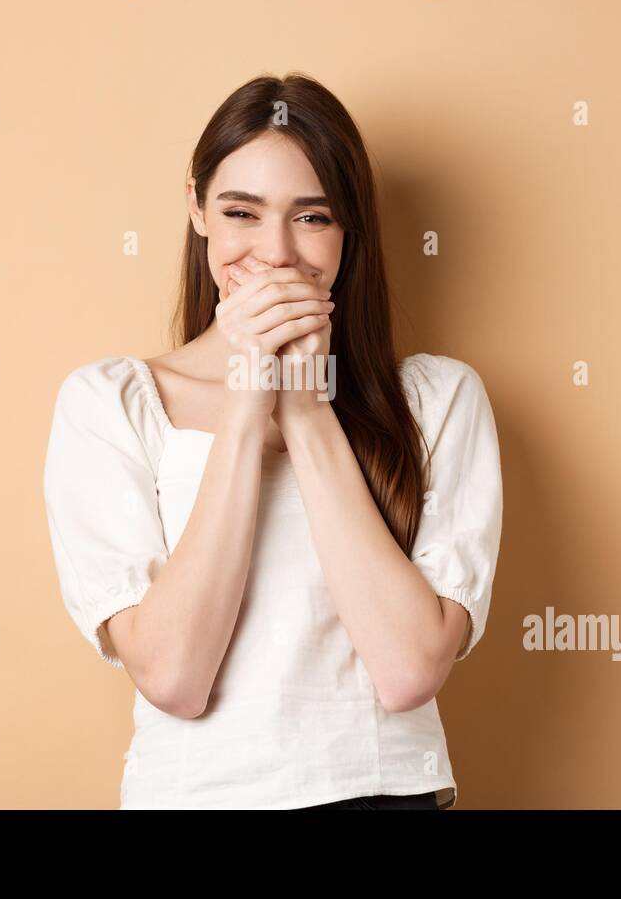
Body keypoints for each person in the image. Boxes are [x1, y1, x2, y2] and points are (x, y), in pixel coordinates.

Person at [43, 72, 503, 809]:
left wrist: (306, 409)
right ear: (197, 209)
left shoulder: (438, 399)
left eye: (312, 217)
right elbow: (173, 679)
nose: (277, 252)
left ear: (350, 230)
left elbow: (409, 671)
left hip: (386, 794)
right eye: (242, 213)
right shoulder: (110, 405)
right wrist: (248, 394)